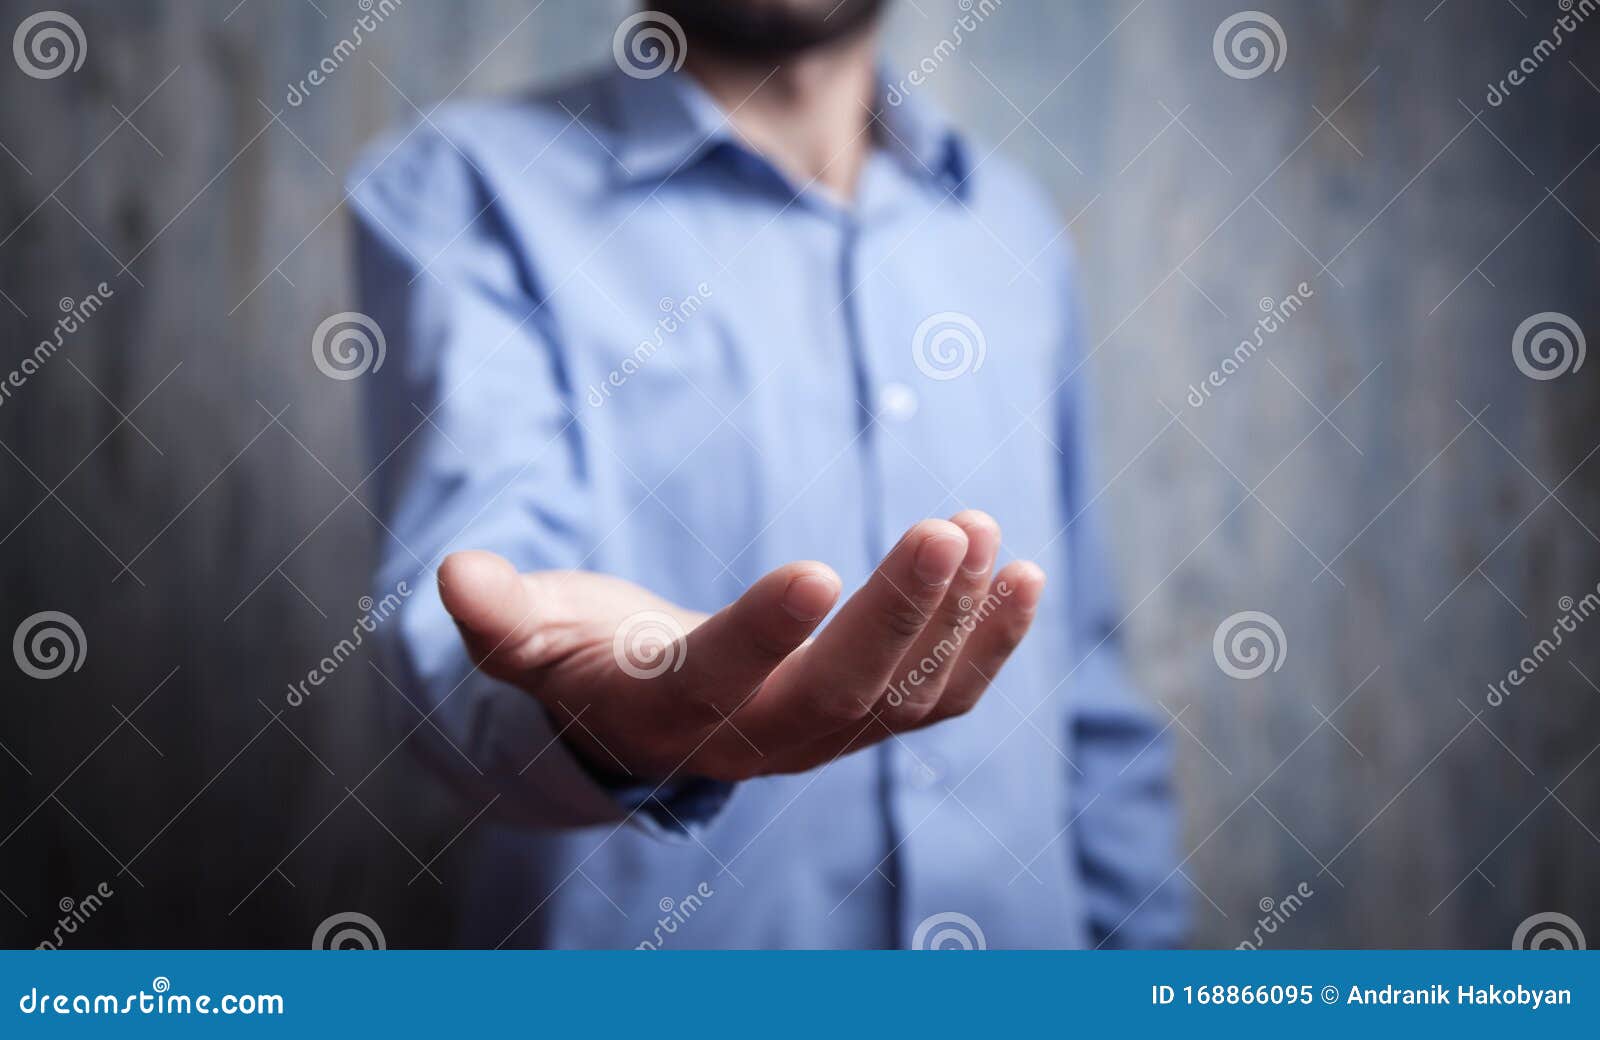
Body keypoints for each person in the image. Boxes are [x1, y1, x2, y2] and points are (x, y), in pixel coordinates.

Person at [350, 0, 1184, 948]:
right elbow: (460, 640)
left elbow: (1081, 675)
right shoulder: (465, 185)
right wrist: (615, 720)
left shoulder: (1012, 223)